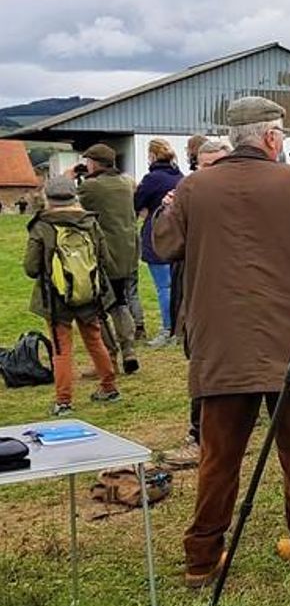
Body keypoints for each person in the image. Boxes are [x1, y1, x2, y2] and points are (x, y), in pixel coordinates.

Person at [153, 96, 290, 587]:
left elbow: (163, 245)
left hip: (222, 343)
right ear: (272, 138)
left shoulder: (193, 187)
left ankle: (202, 557)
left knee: (219, 455)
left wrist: (168, 208)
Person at [162, 139, 232, 469]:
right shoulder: (188, 196)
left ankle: (202, 439)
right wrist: (168, 211)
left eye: (218, 165)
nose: (212, 173)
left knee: (213, 368)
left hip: (228, 298)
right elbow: (167, 245)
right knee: (203, 364)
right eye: (206, 166)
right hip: (199, 294)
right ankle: (202, 435)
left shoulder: (237, 198)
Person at [23, 177, 120, 415]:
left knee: (61, 349)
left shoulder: (41, 226)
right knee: (95, 340)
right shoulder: (90, 222)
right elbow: (105, 260)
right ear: (73, 197)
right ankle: (109, 387)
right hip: (89, 293)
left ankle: (64, 401)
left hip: (55, 296)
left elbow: (31, 268)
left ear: (48, 198)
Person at [76, 143, 140, 374]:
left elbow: (66, 201)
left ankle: (108, 358)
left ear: (94, 163)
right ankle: (129, 350)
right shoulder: (125, 183)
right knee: (120, 301)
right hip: (127, 252)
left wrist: (70, 176)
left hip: (103, 255)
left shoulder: (92, 187)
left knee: (99, 307)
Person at [135, 138, 183, 347]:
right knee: (177, 286)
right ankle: (179, 328)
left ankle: (167, 329)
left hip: (157, 234)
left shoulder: (152, 179)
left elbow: (136, 203)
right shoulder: (180, 177)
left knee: (164, 287)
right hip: (178, 235)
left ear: (152, 156)